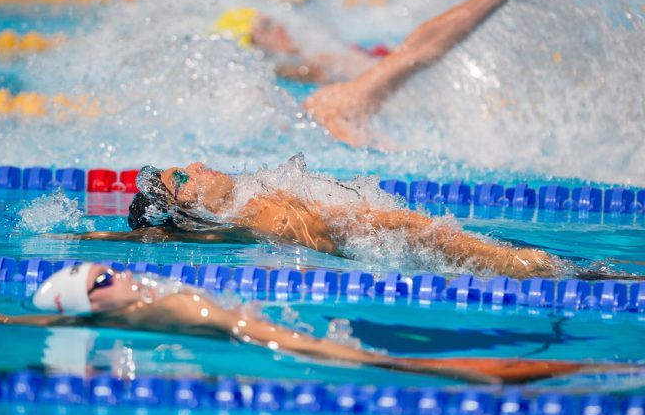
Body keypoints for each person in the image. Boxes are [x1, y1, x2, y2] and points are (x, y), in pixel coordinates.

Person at [0, 263, 637, 385]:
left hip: (261, 324)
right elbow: (12, 321)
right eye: (101, 280)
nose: (114, 272)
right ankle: (600, 372)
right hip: (265, 340)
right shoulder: (140, 307)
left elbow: (2, 314)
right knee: (408, 372)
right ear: (99, 306)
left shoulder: (130, 296)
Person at [216, 0, 580, 148]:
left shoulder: (326, 106)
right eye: (264, 28)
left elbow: (416, 52)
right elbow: (416, 53)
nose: (280, 27)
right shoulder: (321, 104)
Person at [84, 160, 563, 279]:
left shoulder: (244, 205)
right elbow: (157, 235)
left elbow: (157, 233)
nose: (200, 165)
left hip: (384, 238)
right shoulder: (236, 222)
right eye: (184, 176)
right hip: (381, 237)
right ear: (186, 209)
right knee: (532, 266)